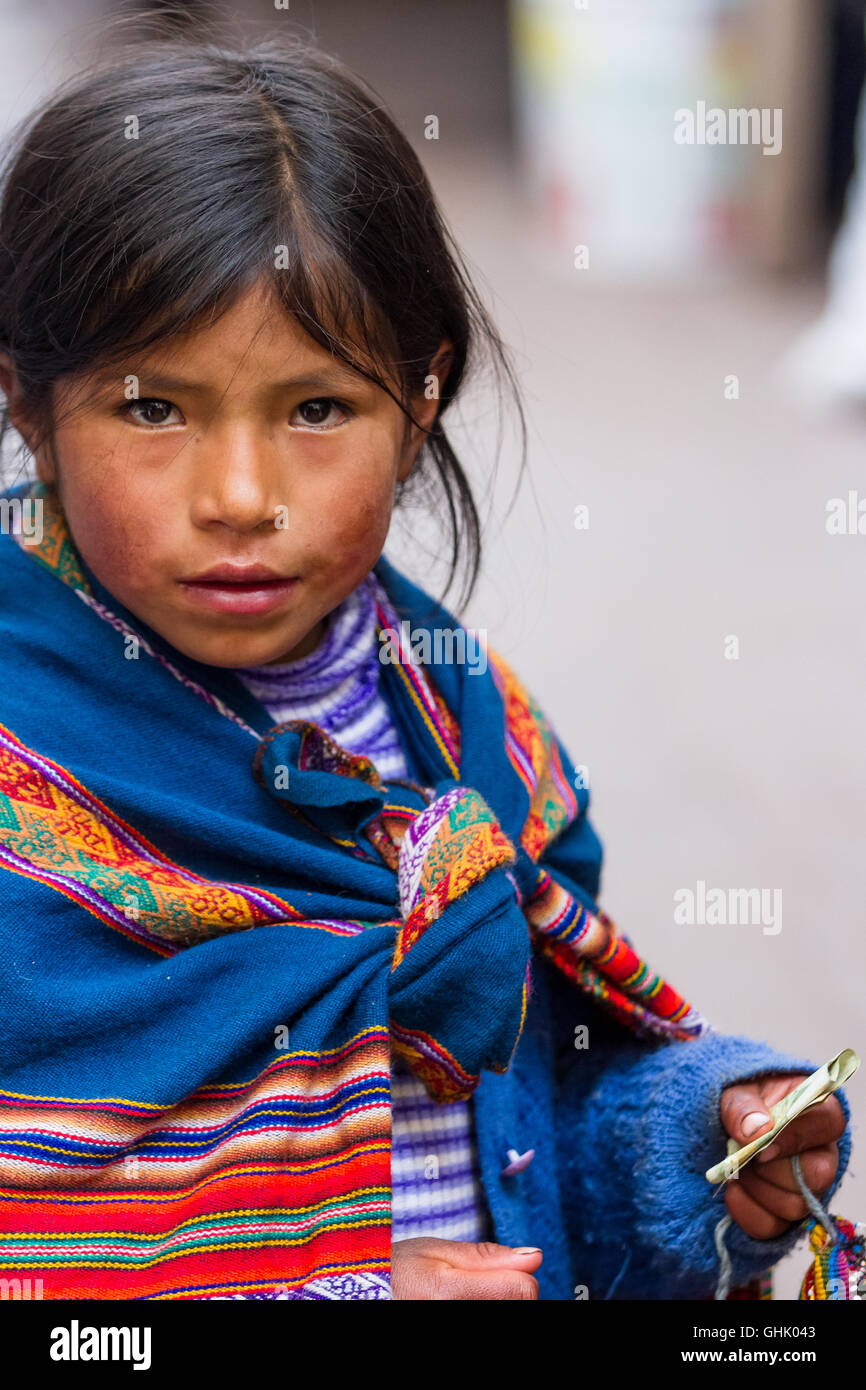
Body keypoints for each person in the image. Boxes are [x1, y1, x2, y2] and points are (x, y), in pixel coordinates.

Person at [0, 34, 850, 1301]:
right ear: (27, 405)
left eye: (317, 409)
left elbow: (536, 1082)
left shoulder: (464, 719)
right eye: (153, 408)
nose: (242, 498)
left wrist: (689, 1134)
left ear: (420, 406)